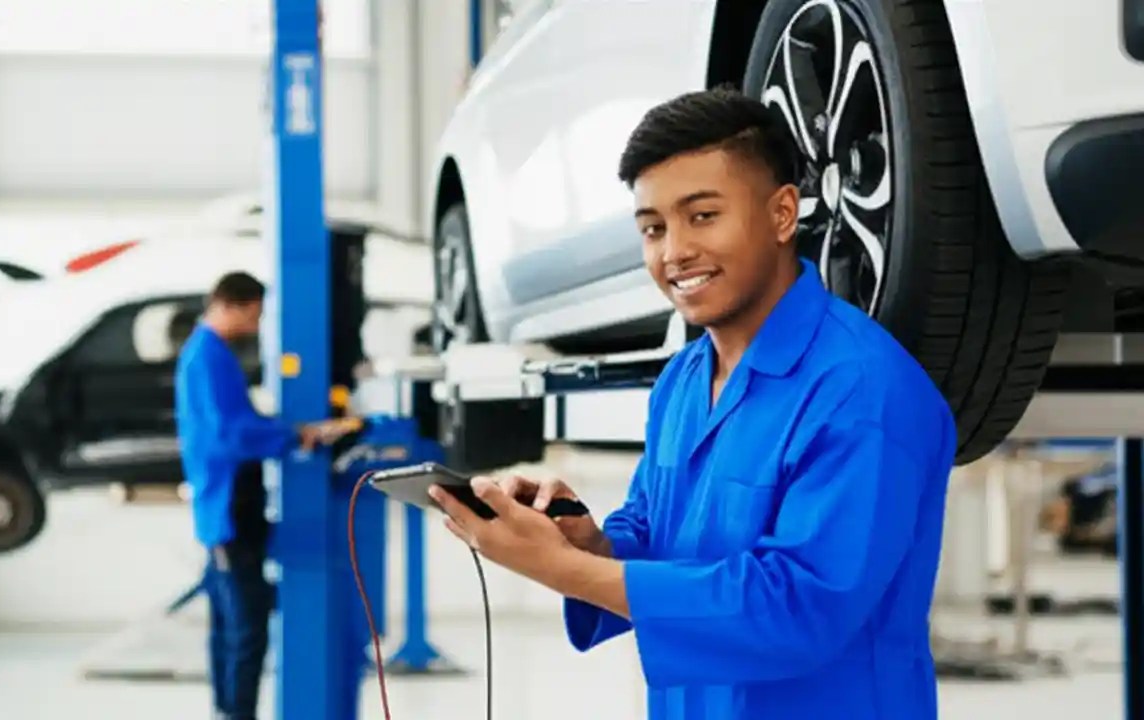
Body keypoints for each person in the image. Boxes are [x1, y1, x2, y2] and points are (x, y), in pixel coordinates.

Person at [430, 86, 957, 719]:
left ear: (783, 214)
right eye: (653, 228)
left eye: (702, 216)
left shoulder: (862, 389)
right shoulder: (683, 380)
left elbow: (799, 609)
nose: (674, 252)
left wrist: (560, 570)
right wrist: (583, 542)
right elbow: (655, 533)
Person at [176, 271, 335, 720]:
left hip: (225, 502)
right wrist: (294, 435)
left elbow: (235, 423)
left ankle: (228, 711)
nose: (255, 324)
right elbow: (230, 434)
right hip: (226, 506)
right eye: (254, 315)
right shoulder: (208, 356)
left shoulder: (207, 353)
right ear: (231, 305)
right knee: (246, 625)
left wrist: (287, 431)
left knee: (229, 622)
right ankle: (237, 713)